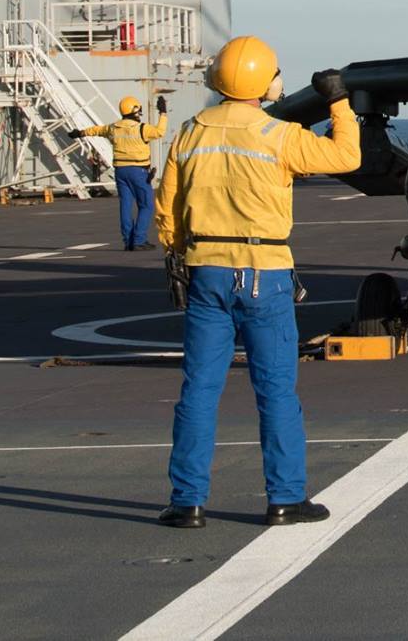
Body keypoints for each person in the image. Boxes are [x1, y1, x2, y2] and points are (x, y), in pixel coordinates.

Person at [152, 36, 359, 529]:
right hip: (265, 273)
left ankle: (187, 502)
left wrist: (181, 253)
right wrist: (339, 100)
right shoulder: (278, 134)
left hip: (207, 271)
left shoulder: (188, 134)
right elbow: (346, 156)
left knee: (199, 390)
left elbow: (166, 210)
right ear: (266, 82)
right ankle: (285, 499)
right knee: (276, 390)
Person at [75, 94, 167, 250]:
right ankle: (139, 240)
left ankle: (128, 241)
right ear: (135, 111)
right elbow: (159, 132)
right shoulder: (142, 128)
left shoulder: (113, 128)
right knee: (146, 205)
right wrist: (163, 114)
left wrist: (81, 132)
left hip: (120, 171)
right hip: (139, 171)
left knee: (125, 204)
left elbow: (97, 130)